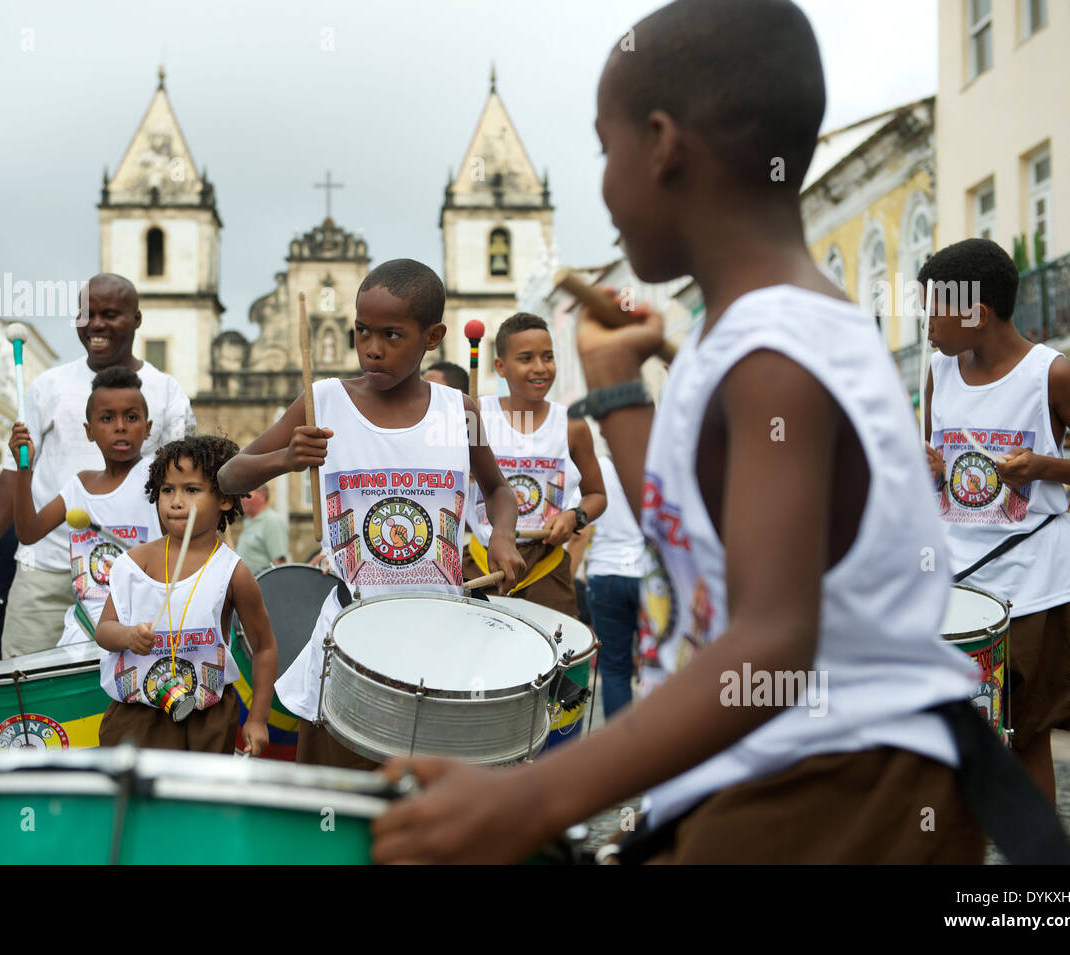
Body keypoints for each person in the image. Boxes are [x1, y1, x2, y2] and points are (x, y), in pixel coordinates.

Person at [371, 0, 985, 864]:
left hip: (830, 789)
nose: (602, 183)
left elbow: (775, 635)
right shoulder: (752, 330)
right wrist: (619, 388)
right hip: (769, 774)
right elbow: (700, 534)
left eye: (603, 147)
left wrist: (532, 796)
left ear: (661, 144)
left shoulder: (777, 351)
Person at [218, 258, 526, 769]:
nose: (372, 347)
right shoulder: (322, 403)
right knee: (337, 791)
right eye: (361, 331)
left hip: (439, 635)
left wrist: (504, 537)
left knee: (428, 797)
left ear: (433, 337)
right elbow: (229, 476)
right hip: (349, 639)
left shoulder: (460, 412)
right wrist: (285, 459)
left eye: (391, 334)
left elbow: (497, 490)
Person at [922, 238, 1070, 803]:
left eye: (934, 306)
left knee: (1027, 741)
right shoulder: (939, 372)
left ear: (975, 312)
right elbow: (932, 468)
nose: (926, 322)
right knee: (944, 742)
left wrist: (1045, 466)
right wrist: (929, 468)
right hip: (956, 587)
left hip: (1034, 588)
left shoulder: (1051, 376)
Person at [0, 274, 195, 658]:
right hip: (45, 568)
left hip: (132, 576)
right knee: (26, 686)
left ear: (137, 320)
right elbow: (13, 471)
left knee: (117, 695)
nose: (96, 325)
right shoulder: (48, 385)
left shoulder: (166, 391)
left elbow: (186, 484)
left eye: (110, 314)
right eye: (86, 314)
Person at [95, 435, 277, 754]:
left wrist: (258, 719)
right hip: (136, 718)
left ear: (224, 498)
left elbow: (264, 648)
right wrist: (127, 637)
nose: (176, 502)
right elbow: (103, 631)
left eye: (191, 490)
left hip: (209, 721)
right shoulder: (133, 564)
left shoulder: (232, 572)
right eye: (168, 490)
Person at [463, 313, 606, 619]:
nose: (540, 367)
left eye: (548, 357)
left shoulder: (572, 425)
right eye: (526, 358)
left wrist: (574, 516)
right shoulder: (477, 415)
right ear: (500, 366)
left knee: (559, 659)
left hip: (547, 567)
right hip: (482, 561)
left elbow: (597, 495)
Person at [9, 366, 161, 647]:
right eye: (107, 418)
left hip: (145, 630)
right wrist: (23, 469)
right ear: (89, 431)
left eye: (131, 417)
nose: (120, 426)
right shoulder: (79, 486)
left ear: (147, 428)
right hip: (83, 631)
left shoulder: (159, 478)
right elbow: (28, 533)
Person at [585, 455, 645, 717]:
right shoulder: (658, 455)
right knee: (660, 664)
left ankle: (625, 746)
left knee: (613, 669)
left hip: (605, 572)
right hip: (650, 573)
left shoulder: (596, 466)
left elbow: (582, 531)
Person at [233, 484, 288, 575]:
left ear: (263, 495)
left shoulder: (273, 521)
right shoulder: (248, 521)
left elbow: (279, 565)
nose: (241, 498)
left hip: (263, 586)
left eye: (246, 493)